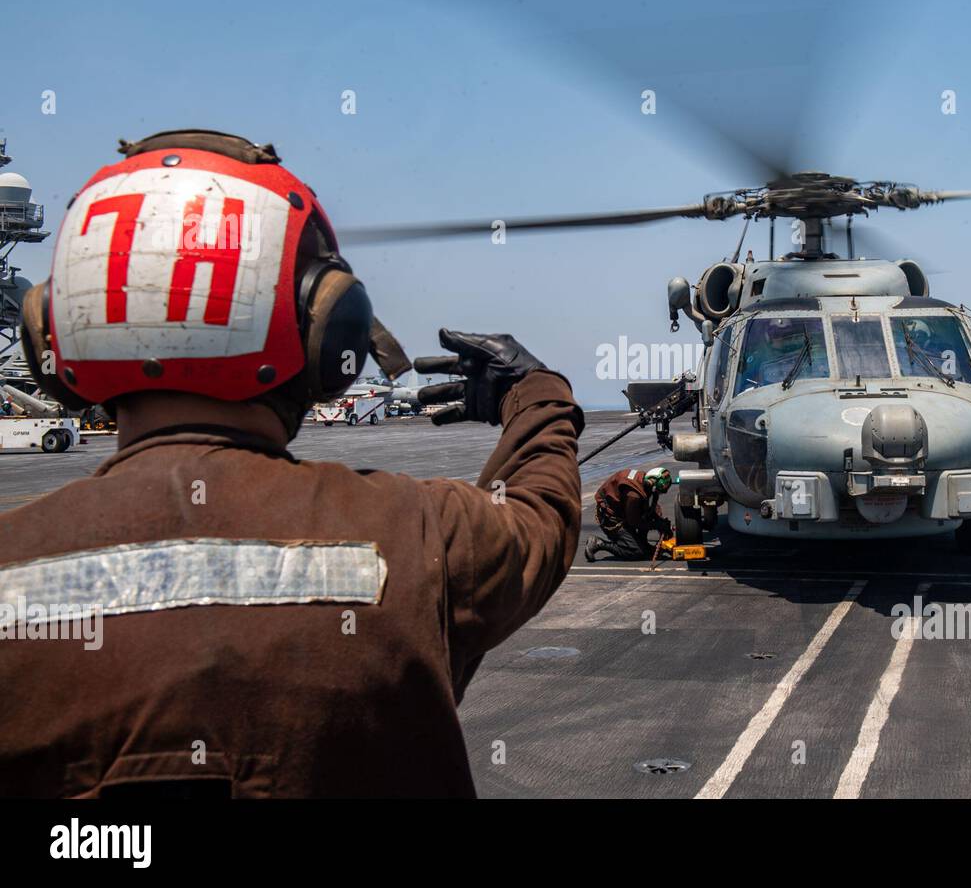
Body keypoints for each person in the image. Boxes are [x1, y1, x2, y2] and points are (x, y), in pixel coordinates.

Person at [0, 130, 584, 797]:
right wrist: (533, 393)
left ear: (55, 329)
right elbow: (541, 518)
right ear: (326, 328)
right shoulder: (418, 533)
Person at [585, 466, 673, 561]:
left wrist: (660, 521)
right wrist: (657, 525)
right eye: (658, 491)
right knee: (636, 552)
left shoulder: (644, 478)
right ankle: (599, 543)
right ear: (651, 484)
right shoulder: (634, 495)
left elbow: (652, 507)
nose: (659, 494)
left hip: (626, 511)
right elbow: (635, 522)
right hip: (611, 520)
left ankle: (642, 544)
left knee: (653, 516)